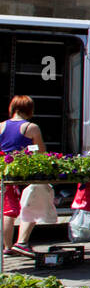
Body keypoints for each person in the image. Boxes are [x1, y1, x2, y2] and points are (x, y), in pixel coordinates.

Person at [2, 95, 45, 256]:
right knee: (32, 203)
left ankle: (7, 247)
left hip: (5, 174)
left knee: (8, 211)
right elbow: (41, 152)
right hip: (25, 175)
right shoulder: (31, 128)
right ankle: (22, 242)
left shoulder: (1, 126)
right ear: (29, 109)